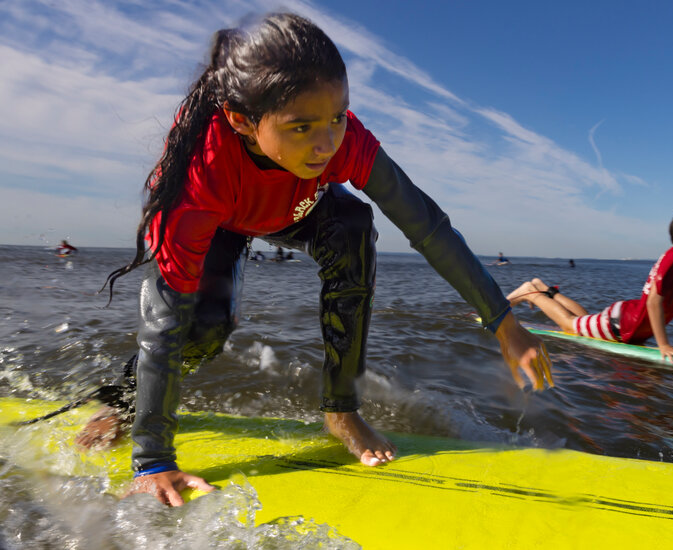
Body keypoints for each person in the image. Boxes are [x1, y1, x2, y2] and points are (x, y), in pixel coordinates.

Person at [74, 12, 553, 507]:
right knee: (203, 330)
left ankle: (341, 411)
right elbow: (164, 324)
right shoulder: (198, 183)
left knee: (352, 227)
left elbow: (426, 226)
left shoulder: (340, 140)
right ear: (242, 119)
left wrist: (503, 321)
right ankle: (120, 404)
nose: (326, 143)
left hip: (290, 207)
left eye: (338, 117)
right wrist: (153, 459)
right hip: (220, 220)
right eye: (301, 127)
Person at [507, 213, 673, 362]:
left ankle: (544, 289)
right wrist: (663, 345)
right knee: (569, 325)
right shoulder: (672, 259)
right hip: (622, 325)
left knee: (581, 320)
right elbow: (654, 302)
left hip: (631, 324)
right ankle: (531, 293)